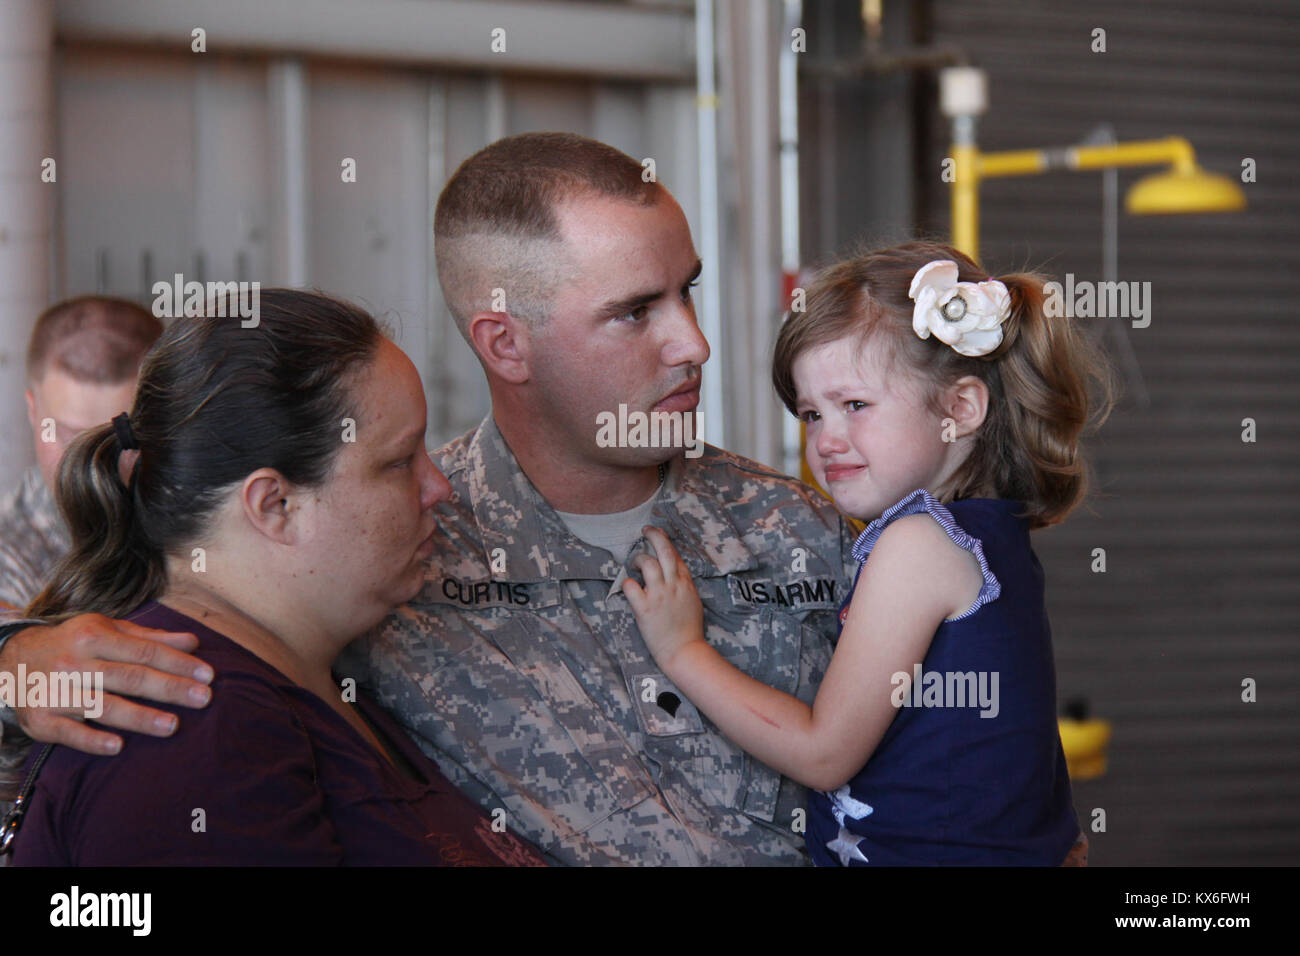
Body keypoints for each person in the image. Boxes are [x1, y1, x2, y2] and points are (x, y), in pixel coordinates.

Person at [0, 133, 855, 866]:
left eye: (688, 291)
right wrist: (12, 668)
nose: (695, 343)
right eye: (634, 311)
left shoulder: (802, 531)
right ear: (504, 342)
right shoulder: (389, 564)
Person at [4, 289, 545, 866]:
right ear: (274, 504)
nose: (440, 487)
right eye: (397, 461)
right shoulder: (190, 725)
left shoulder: (309, 672)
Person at [626, 241, 1110, 865]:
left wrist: (682, 650)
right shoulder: (994, 535)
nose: (827, 441)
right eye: (810, 413)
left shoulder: (917, 545)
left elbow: (823, 754)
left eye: (855, 405)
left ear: (959, 408)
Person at [0, 296, 162, 612]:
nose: (92, 463)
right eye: (68, 436)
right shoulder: (10, 555)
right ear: (32, 411)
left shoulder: (198, 521)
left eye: (119, 438)